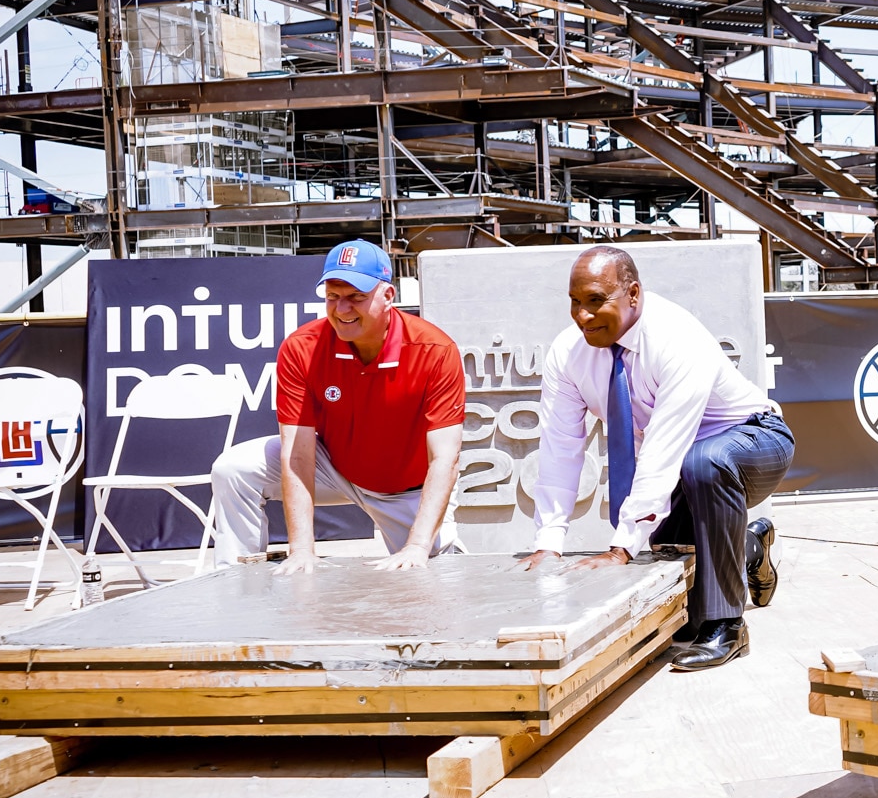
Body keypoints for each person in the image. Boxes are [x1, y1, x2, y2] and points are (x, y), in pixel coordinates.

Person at [518, 247, 792, 672]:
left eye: (595, 301)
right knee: (672, 563)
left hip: (754, 442)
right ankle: (751, 547)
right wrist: (548, 543)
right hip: (687, 462)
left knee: (702, 464)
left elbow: (665, 446)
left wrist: (622, 547)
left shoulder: (676, 336)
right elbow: (560, 447)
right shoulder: (568, 353)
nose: (582, 316)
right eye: (574, 301)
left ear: (632, 293)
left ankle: (727, 626)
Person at [212, 239, 466, 573]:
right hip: (334, 466)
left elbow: (445, 458)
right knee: (232, 469)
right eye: (332, 297)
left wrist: (418, 545)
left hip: (406, 489)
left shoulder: (435, 349)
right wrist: (301, 550)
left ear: (388, 296)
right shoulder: (301, 347)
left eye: (356, 298)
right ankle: (236, 584)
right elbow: (298, 453)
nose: (341, 310)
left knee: (439, 588)